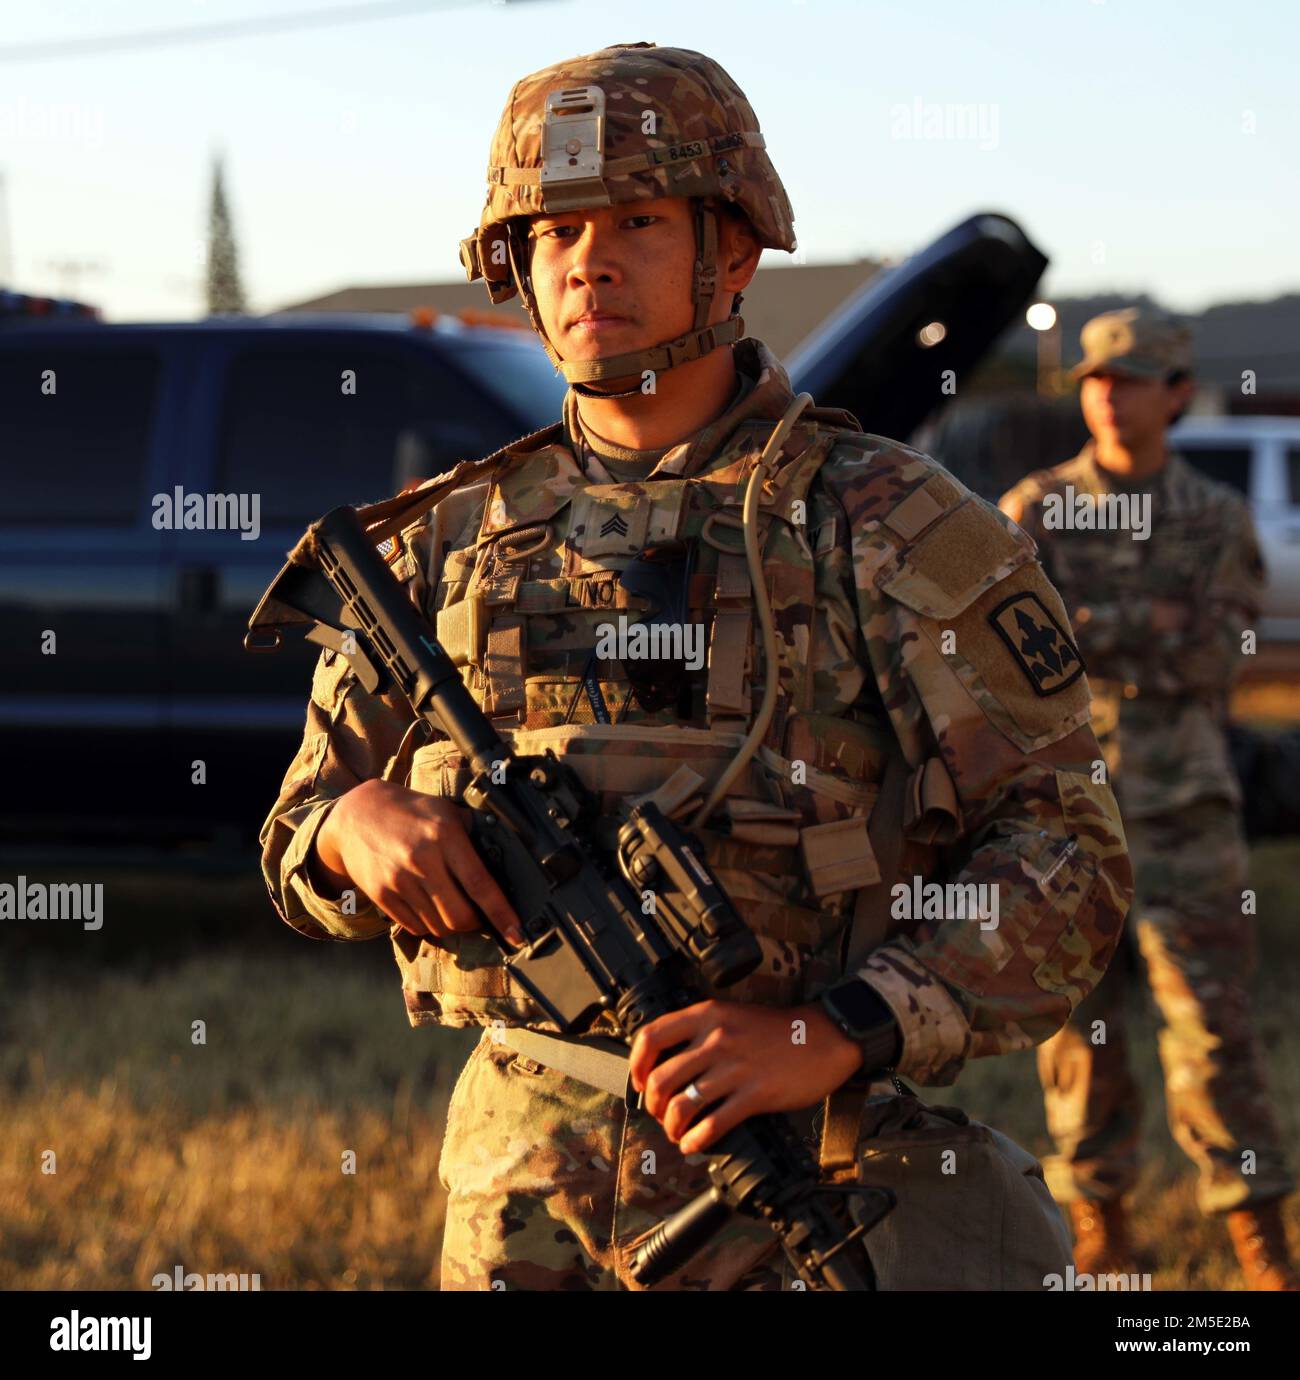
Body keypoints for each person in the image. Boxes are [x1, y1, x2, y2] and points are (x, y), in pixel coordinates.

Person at [261, 41, 1132, 1291]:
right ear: (514, 265)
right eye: (552, 231)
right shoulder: (443, 542)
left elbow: (1066, 851)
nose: (588, 260)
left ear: (731, 251)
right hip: (519, 1202)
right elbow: (295, 835)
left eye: (637, 220)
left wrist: (837, 1029)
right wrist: (350, 829)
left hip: (808, 1184)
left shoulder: (888, 525)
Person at [1000, 308, 1296, 1290]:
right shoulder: (1033, 511)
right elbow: (998, 659)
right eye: (1093, 377)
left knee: (1213, 1040)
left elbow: (1214, 653)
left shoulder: (1214, 517)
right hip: (1061, 824)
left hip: (1180, 813)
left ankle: (1262, 1246)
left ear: (1174, 392)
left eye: (1130, 378)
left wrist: (1076, 630)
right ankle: (1102, 1240)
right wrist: (1144, 624)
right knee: (1080, 1044)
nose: (1107, 393)